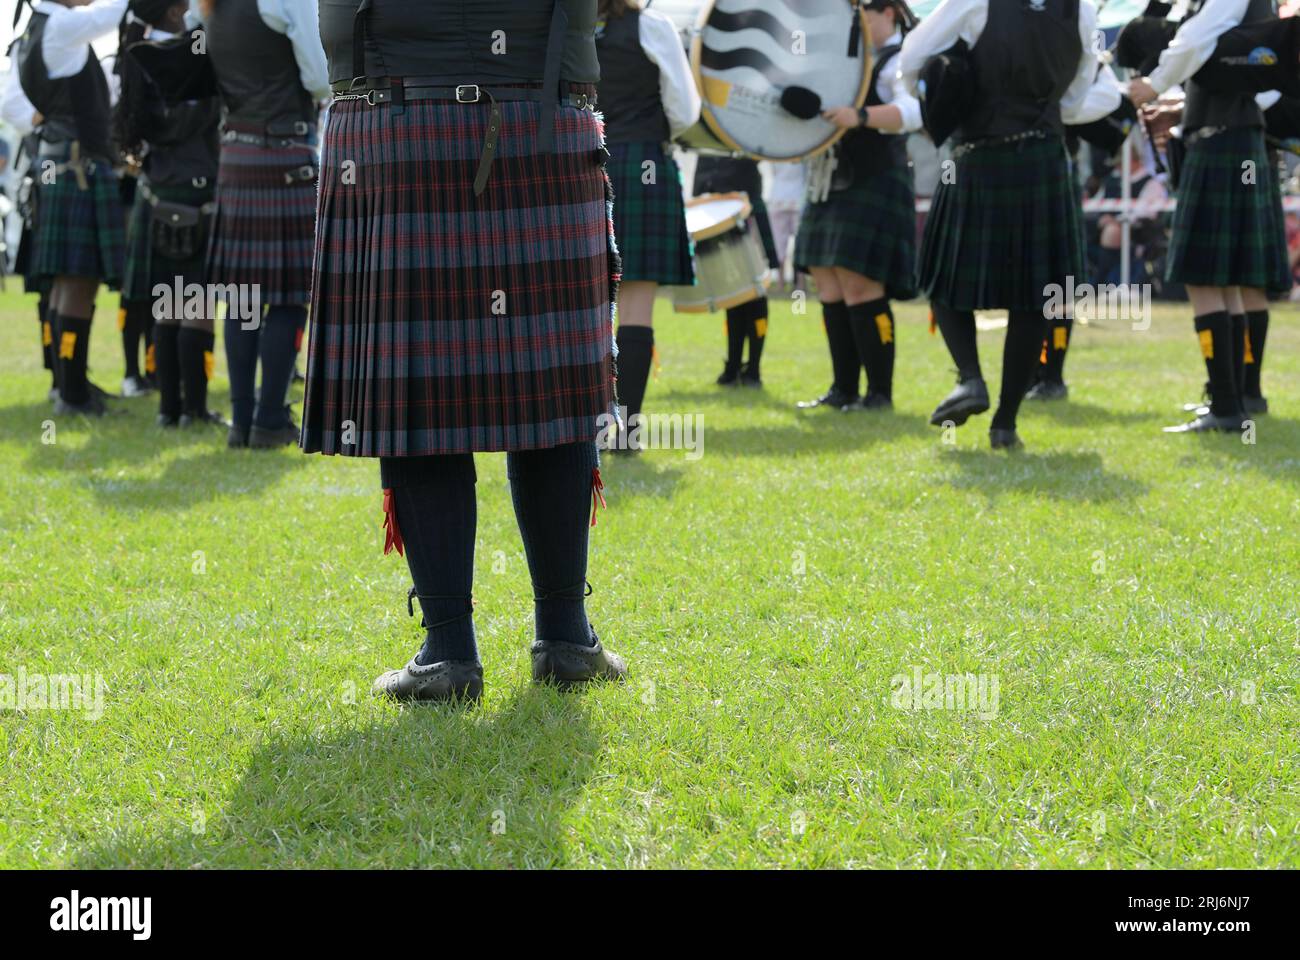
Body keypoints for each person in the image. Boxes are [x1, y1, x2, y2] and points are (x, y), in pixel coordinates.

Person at [301, 0, 626, 704]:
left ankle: (450, 652)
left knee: (419, 396)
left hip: (398, 131)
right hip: (544, 126)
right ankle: (566, 638)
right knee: (552, 391)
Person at [899, 0, 1118, 449]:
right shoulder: (1080, 11)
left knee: (943, 278)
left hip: (977, 155)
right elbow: (1076, 99)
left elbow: (910, 59)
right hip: (1044, 157)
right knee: (1037, 297)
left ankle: (970, 379)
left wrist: (950, 92)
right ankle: (1005, 423)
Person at [1129, 0, 1290, 431]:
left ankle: (1227, 405)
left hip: (1222, 143)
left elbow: (1194, 39)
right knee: (1229, 282)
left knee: (1205, 278)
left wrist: (1154, 82)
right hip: (1235, 140)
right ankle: (1231, 401)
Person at [193, 0, 329, 449]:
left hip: (235, 154)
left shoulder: (205, 6)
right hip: (285, 151)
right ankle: (270, 418)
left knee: (242, 299)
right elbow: (319, 78)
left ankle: (241, 421)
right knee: (290, 296)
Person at [795, 0, 920, 414]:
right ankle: (843, 389)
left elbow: (912, 112)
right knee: (827, 280)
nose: (856, 20)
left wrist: (860, 115)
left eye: (864, 10)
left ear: (888, 12)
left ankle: (879, 393)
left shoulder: (901, 57)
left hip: (876, 176)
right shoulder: (841, 56)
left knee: (861, 284)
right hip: (830, 177)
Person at [16, 0, 130, 417]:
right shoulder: (60, 24)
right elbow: (110, 16)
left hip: (64, 161)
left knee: (69, 283)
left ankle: (72, 388)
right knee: (78, 282)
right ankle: (73, 395)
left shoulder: (36, 26)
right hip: (76, 164)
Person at [595, 0, 699, 448]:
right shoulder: (650, 26)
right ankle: (626, 431)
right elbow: (685, 109)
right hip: (641, 164)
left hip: (579, 163)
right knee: (635, 304)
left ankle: (583, 429)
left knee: (582, 307)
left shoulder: (560, 27)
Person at [115, 0, 224, 427]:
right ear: (177, 9)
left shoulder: (137, 52)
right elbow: (205, 116)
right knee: (195, 305)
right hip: (198, 187)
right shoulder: (194, 50)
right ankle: (192, 411)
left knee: (166, 304)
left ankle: (168, 410)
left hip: (157, 188)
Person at [693, 155, 779, 387]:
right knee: (730, 292)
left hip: (745, 200)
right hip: (710, 203)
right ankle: (732, 366)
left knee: (756, 290)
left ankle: (753, 369)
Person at [1, 43, 56, 401]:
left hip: (55, 176)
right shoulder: (30, 44)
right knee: (51, 286)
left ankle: (67, 375)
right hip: (45, 176)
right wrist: (51, 120)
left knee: (65, 284)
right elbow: (10, 104)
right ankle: (60, 375)